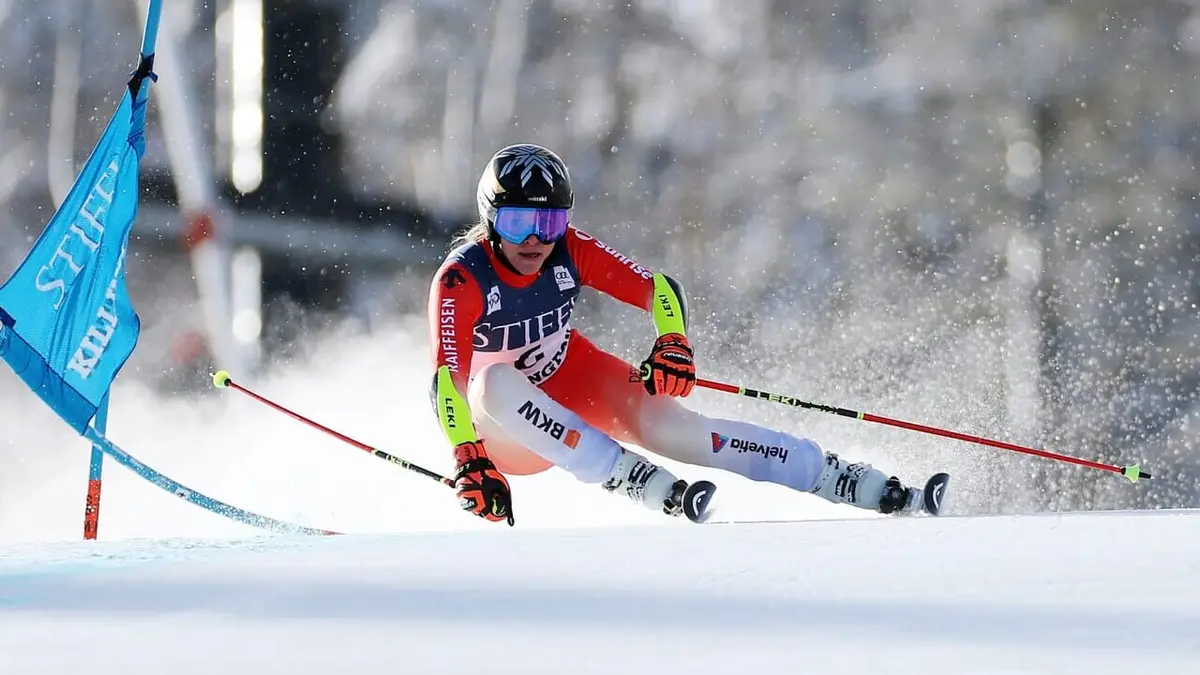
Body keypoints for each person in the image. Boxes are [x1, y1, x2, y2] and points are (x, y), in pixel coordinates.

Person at [426, 143, 927, 525]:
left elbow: (658, 289)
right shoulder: (461, 279)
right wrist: (468, 456)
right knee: (492, 381)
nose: (535, 238)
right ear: (491, 219)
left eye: (550, 221)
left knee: (679, 429)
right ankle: (625, 474)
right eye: (517, 223)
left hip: (574, 381)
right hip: (508, 432)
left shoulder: (568, 251)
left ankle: (838, 477)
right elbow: (446, 381)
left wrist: (672, 341)